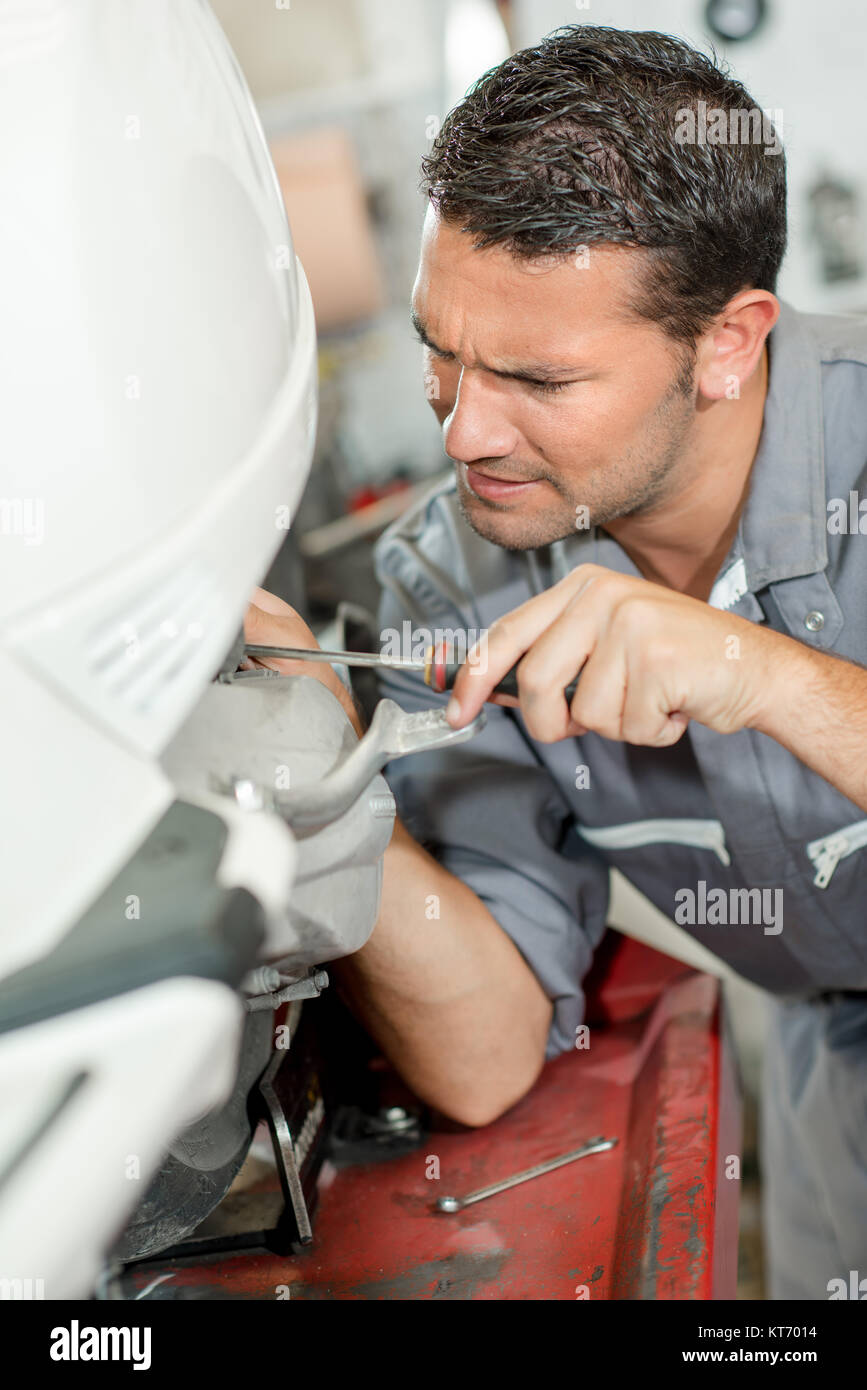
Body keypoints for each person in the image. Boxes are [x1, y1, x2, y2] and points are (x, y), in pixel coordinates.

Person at [245, 26, 867, 1300]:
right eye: (440, 349)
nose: (465, 429)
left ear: (729, 343)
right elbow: (482, 1059)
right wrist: (324, 767)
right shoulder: (457, 578)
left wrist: (769, 680)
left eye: (536, 376)